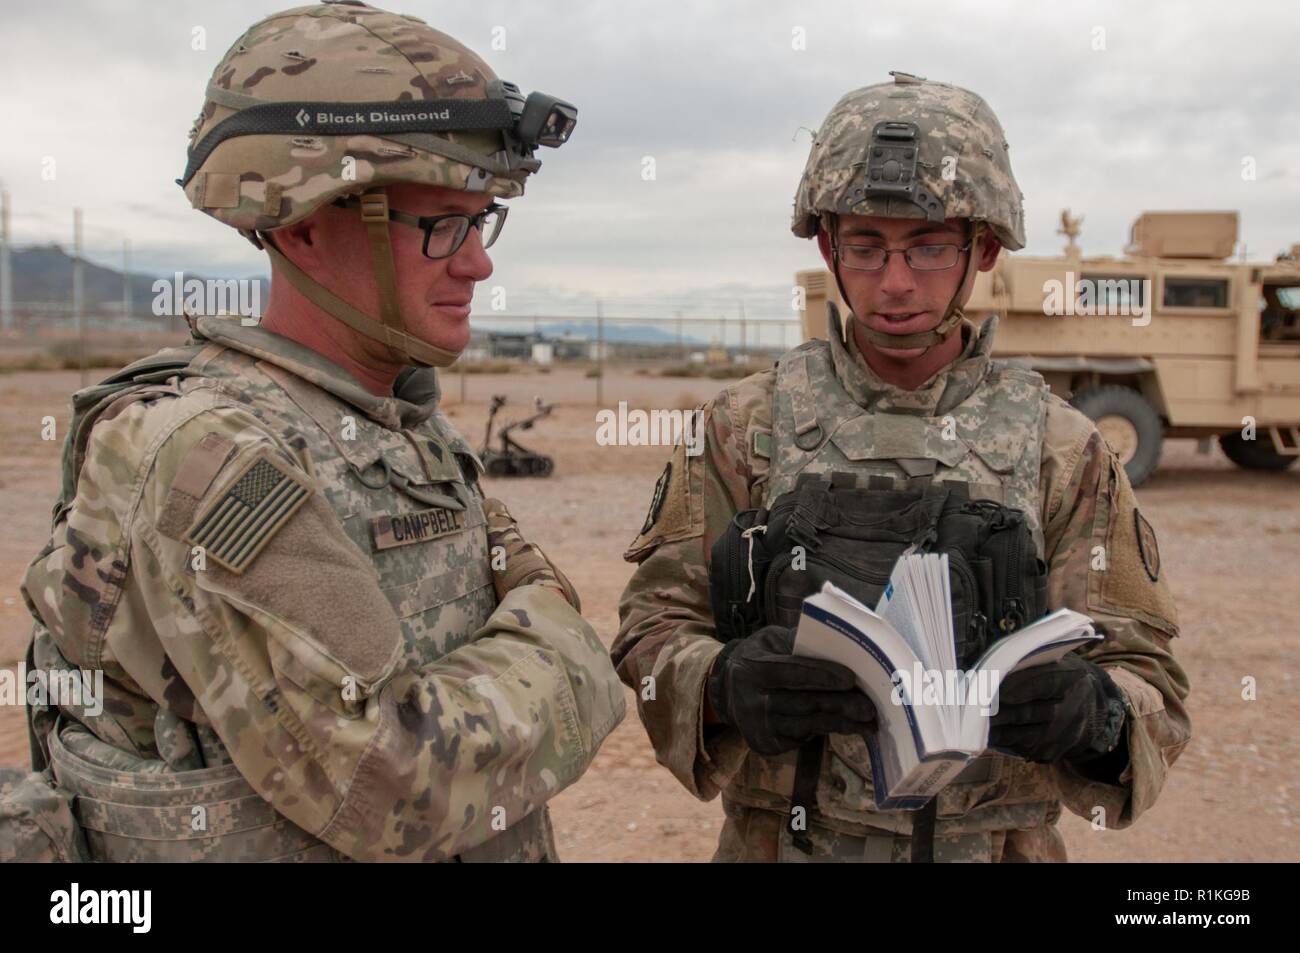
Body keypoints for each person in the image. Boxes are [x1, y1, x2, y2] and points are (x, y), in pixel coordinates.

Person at [12, 0, 623, 863]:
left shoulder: (399, 422)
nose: (479, 260)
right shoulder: (207, 453)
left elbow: (526, 595)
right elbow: (395, 778)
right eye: (442, 224)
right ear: (303, 223)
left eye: (481, 220)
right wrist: (572, 661)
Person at [613, 72, 1190, 862]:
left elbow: (1151, 678)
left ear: (981, 249)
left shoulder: (1062, 446)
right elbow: (651, 629)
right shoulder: (744, 426)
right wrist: (720, 685)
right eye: (866, 246)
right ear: (827, 245)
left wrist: (1099, 715)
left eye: (927, 246)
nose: (894, 283)